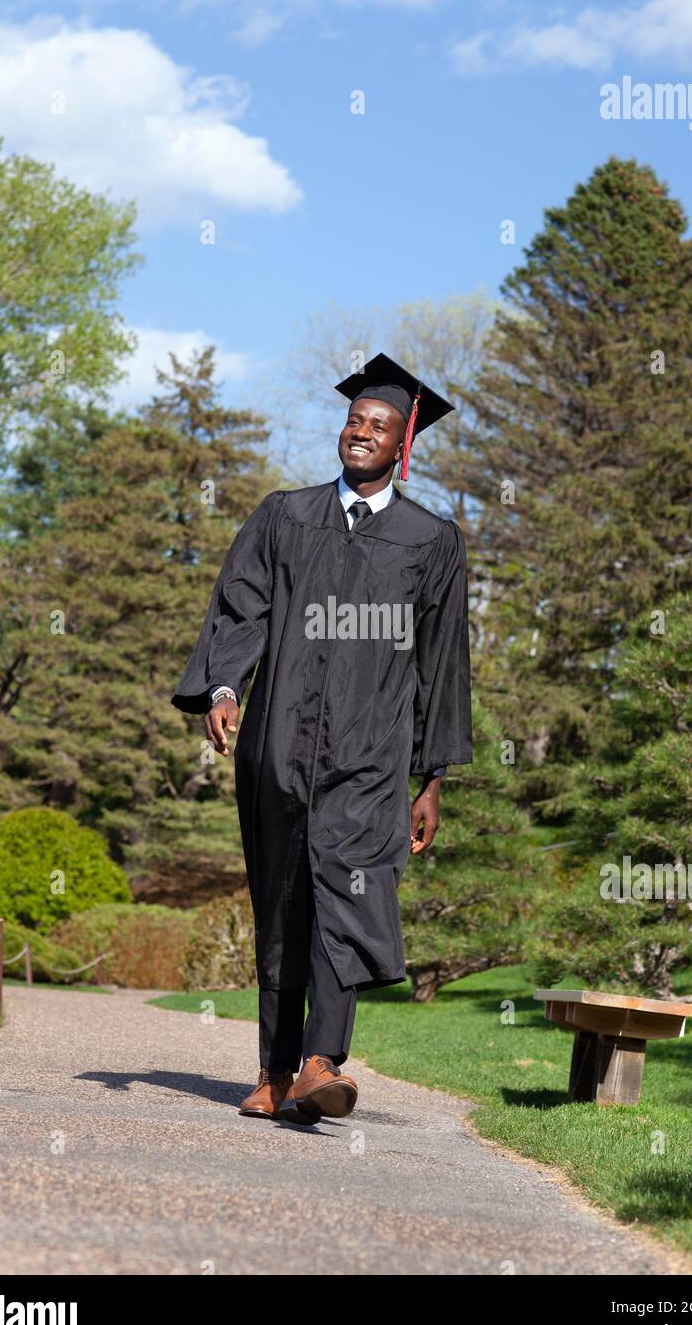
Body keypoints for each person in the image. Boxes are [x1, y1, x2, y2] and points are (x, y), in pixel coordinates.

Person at [171, 353, 472, 1123]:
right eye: (354, 421)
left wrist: (429, 776)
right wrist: (226, 687)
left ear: (403, 443)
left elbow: (441, 664)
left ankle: (320, 1061)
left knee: (348, 892)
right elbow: (242, 608)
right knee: (283, 901)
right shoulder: (286, 515)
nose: (360, 434)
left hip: (370, 758)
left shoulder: (429, 541)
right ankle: (273, 1073)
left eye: (378, 426)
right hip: (280, 743)